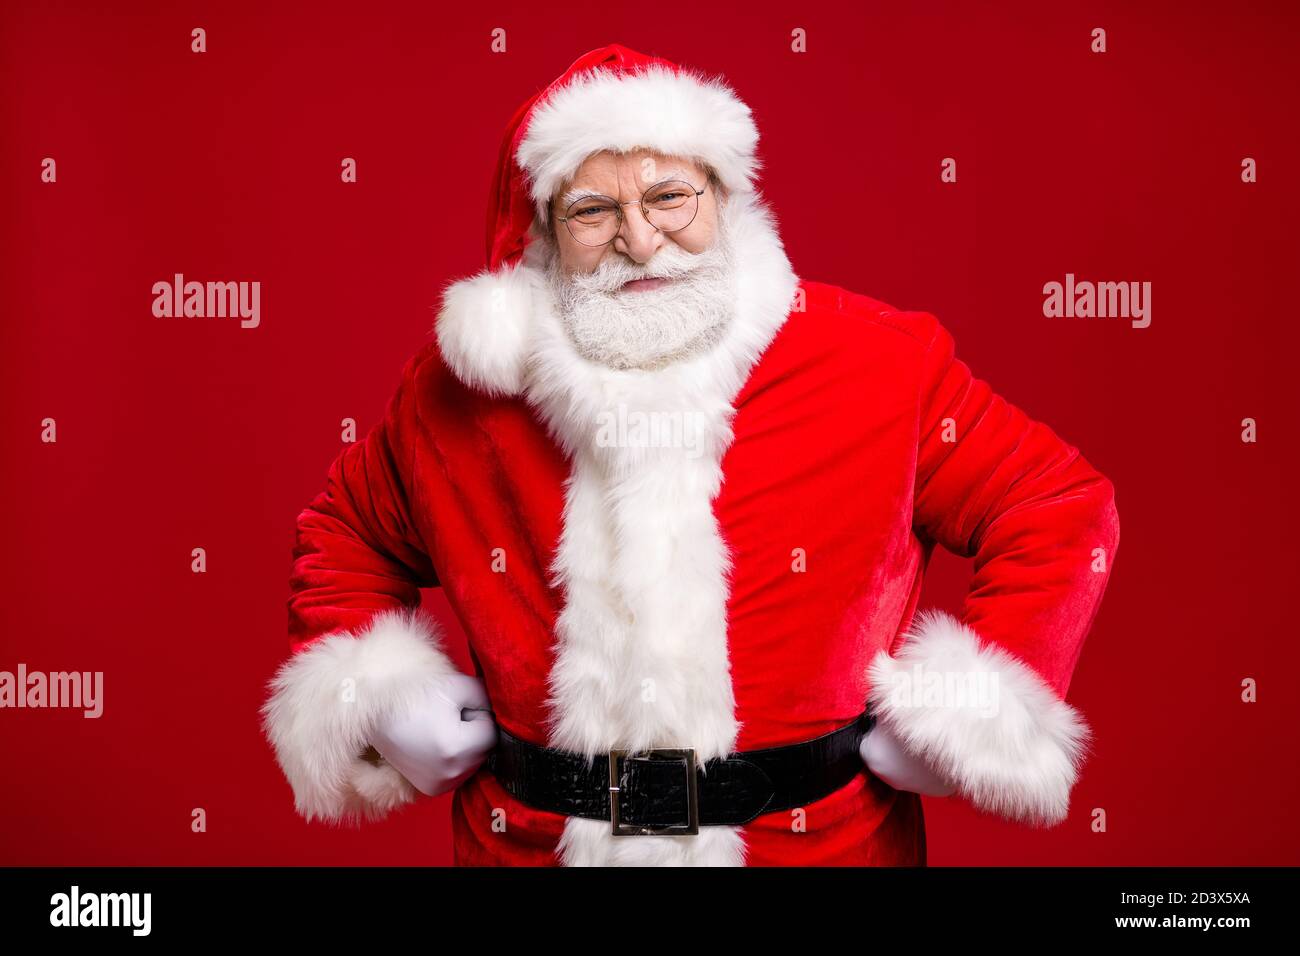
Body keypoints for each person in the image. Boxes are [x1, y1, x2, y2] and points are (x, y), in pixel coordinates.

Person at [260, 43, 1120, 866]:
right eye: (592, 211)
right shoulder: (455, 401)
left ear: (724, 193)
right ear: (544, 236)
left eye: (670, 196)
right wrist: (375, 691)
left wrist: (971, 706)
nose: (640, 241)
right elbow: (344, 534)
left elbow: (1055, 504)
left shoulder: (880, 365)